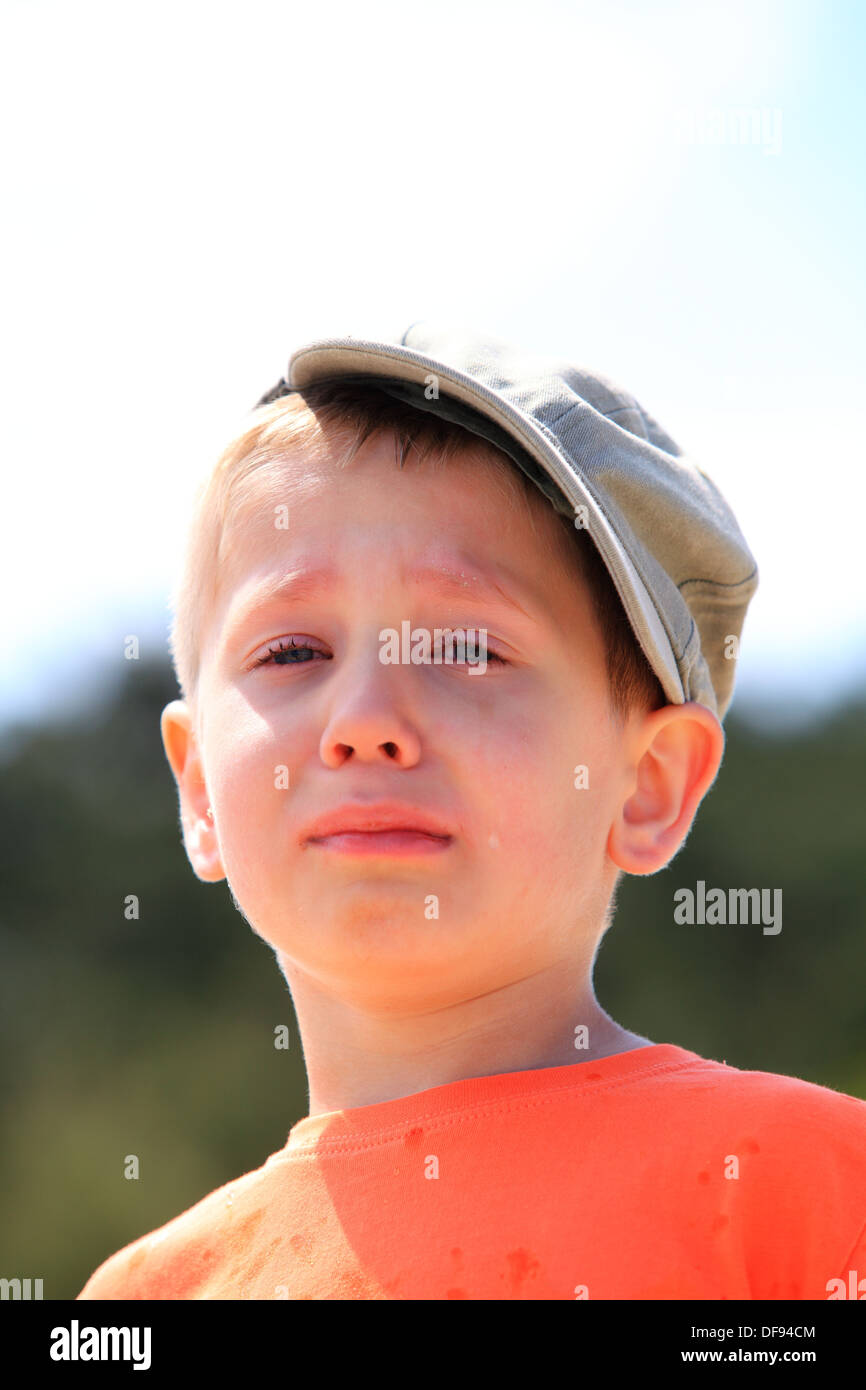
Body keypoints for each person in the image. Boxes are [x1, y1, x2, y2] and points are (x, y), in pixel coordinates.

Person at [77, 322, 866, 1300]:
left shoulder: (807, 1187)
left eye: (465, 651)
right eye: (290, 653)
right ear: (197, 788)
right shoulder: (145, 1295)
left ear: (648, 781)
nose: (364, 723)